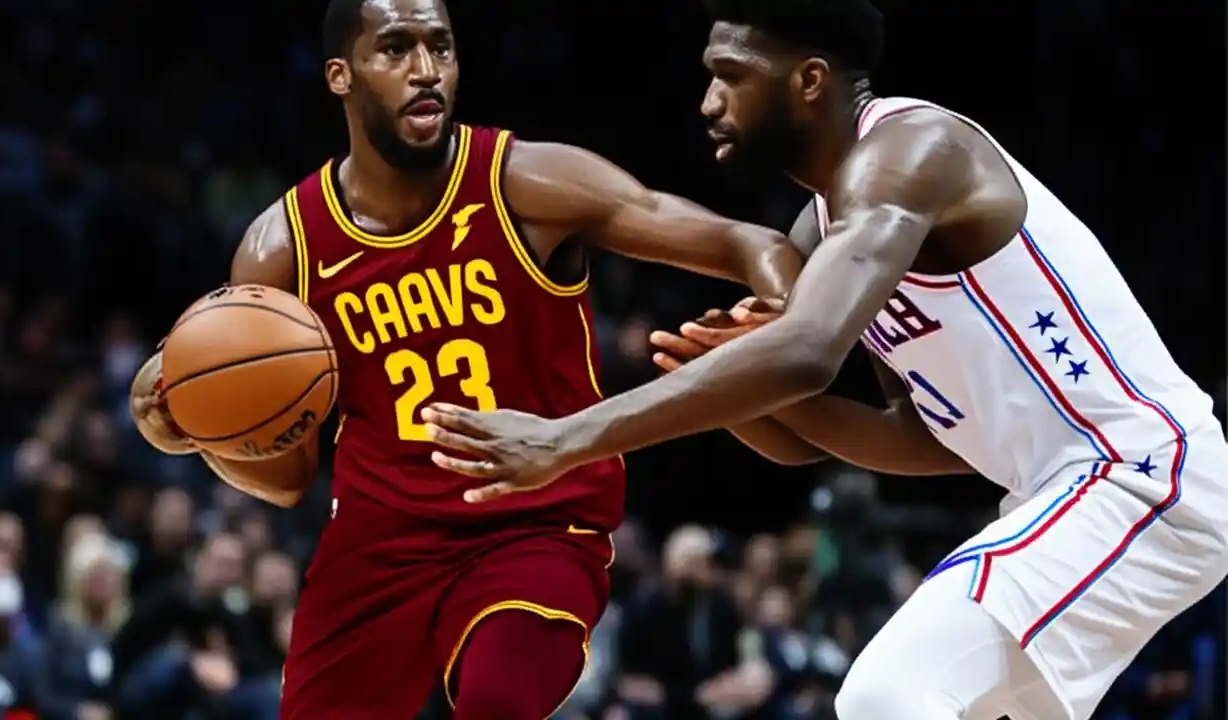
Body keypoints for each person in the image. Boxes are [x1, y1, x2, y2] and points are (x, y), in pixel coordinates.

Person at [418, 1, 1228, 718]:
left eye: (730, 76)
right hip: (1067, 492)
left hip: (1140, 472)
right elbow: (919, 435)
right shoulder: (822, 229)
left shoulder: (914, 153)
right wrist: (743, 387)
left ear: (808, 80)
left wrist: (568, 440)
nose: (709, 102)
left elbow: (806, 354)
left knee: (886, 695)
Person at [128, 0, 802, 717]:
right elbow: (287, 476)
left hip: (534, 520)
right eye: (395, 49)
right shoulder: (282, 247)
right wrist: (202, 423)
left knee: (497, 703)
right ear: (340, 75)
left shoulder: (526, 184)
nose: (427, 71)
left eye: (441, 48)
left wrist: (792, 312)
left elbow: (747, 244)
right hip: (378, 542)